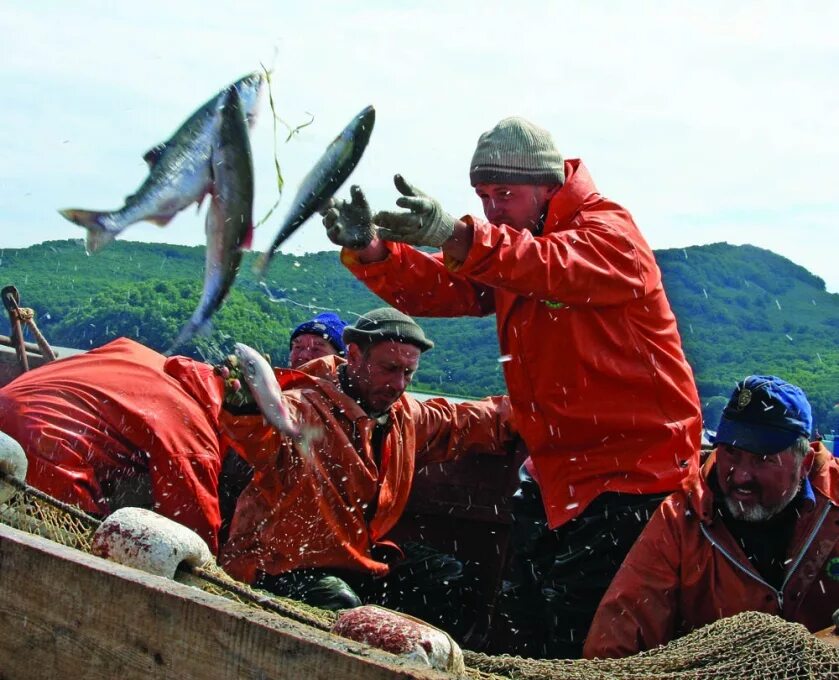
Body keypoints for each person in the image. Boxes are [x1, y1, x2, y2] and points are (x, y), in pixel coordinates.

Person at [321, 116, 702, 657]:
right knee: (524, 630)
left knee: (592, 642)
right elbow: (445, 286)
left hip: (635, 483)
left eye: (505, 194)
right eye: (483, 196)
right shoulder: (514, 250)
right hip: (555, 478)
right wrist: (373, 251)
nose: (492, 208)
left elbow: (550, 266)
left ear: (547, 187)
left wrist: (456, 233)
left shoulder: (610, 235)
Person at [219, 307, 515, 635]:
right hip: (276, 567)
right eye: (389, 369)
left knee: (446, 578)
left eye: (408, 373)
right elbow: (260, 436)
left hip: (359, 560)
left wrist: (537, 412)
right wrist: (245, 408)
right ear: (355, 356)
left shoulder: (404, 416)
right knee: (338, 602)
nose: (398, 384)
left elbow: (466, 421)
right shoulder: (304, 406)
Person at [584, 376, 839, 659]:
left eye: (762, 459)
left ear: (804, 464)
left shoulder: (835, 498)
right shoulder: (681, 519)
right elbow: (617, 635)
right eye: (731, 452)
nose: (741, 476)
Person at [0, 337, 229, 554]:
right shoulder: (192, 429)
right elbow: (192, 532)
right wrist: (206, 568)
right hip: (47, 448)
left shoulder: (135, 352)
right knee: (88, 546)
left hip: (7, 406)